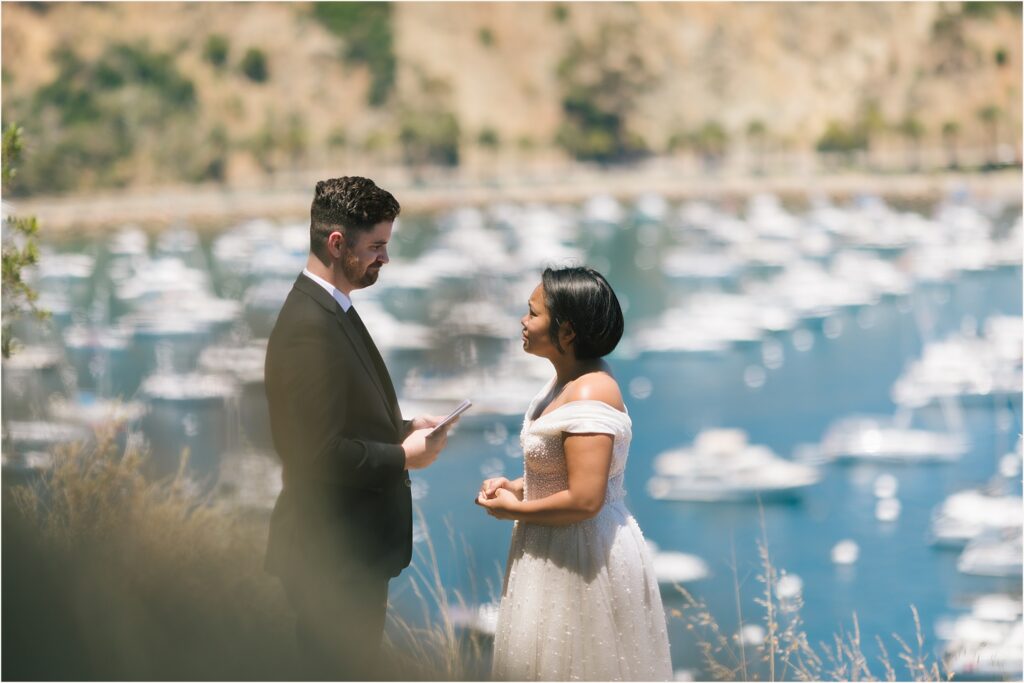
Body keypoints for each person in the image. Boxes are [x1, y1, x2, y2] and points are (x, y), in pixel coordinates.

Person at [264, 176, 455, 680]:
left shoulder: (332, 308)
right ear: (336, 244)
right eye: (376, 247)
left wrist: (405, 426)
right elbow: (317, 452)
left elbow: (339, 414)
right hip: (332, 557)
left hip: (348, 553)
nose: (384, 260)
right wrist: (405, 456)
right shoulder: (310, 326)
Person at [476, 266, 672, 681]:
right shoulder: (567, 379)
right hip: (551, 546)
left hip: (580, 555)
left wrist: (515, 510)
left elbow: (585, 499)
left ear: (566, 332)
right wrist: (516, 486)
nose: (523, 321)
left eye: (533, 313)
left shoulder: (590, 391)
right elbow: (562, 472)